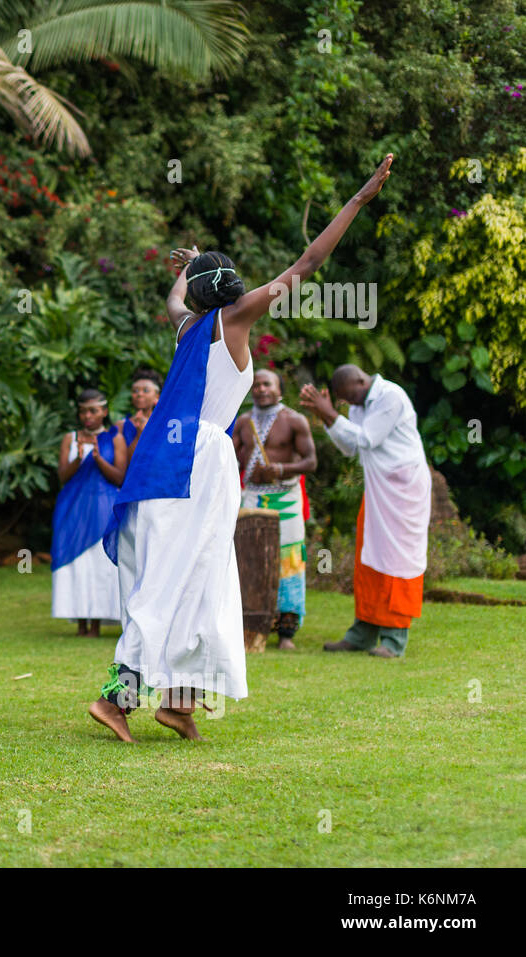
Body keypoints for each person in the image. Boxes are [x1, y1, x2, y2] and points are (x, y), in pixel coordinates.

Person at [87, 153, 394, 743]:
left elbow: (177, 299)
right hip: (193, 463)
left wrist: (186, 266)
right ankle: (118, 699)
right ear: (224, 293)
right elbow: (308, 263)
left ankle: (178, 702)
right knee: (180, 575)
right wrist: (356, 201)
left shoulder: (187, 326)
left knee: (201, 575)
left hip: (164, 462)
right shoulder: (231, 321)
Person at [299, 364, 430, 658]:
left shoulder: (390, 397)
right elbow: (351, 448)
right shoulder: (361, 403)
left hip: (403, 489)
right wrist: (326, 416)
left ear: (361, 380)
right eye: (342, 400)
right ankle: (363, 633)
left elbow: (367, 439)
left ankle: (394, 638)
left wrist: (330, 414)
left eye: (348, 397)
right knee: (368, 554)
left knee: (397, 557)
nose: (347, 404)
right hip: (378, 487)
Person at [232, 369, 317, 649]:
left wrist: (280, 469)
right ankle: (252, 628)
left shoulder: (294, 420)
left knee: (289, 562)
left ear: (279, 389)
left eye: (267, 383)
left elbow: (310, 461)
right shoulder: (243, 422)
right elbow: (230, 458)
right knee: (250, 561)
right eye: (256, 384)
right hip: (252, 496)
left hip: (286, 498)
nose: (261, 389)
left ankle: (286, 633)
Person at [51, 389, 128, 637]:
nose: (88, 415)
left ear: (104, 411)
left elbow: (120, 476)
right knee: (78, 565)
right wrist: (80, 457)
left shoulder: (114, 438)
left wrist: (98, 458)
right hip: (73, 508)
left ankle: (96, 623)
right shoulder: (70, 439)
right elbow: (63, 476)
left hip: (103, 507)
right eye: (83, 410)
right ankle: (80, 623)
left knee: (99, 565)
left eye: (93, 410)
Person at [117, 369, 162, 452]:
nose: (139, 394)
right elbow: (125, 463)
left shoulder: (164, 423)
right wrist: (139, 434)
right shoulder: (121, 425)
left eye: (146, 390)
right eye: (135, 391)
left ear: (157, 396)